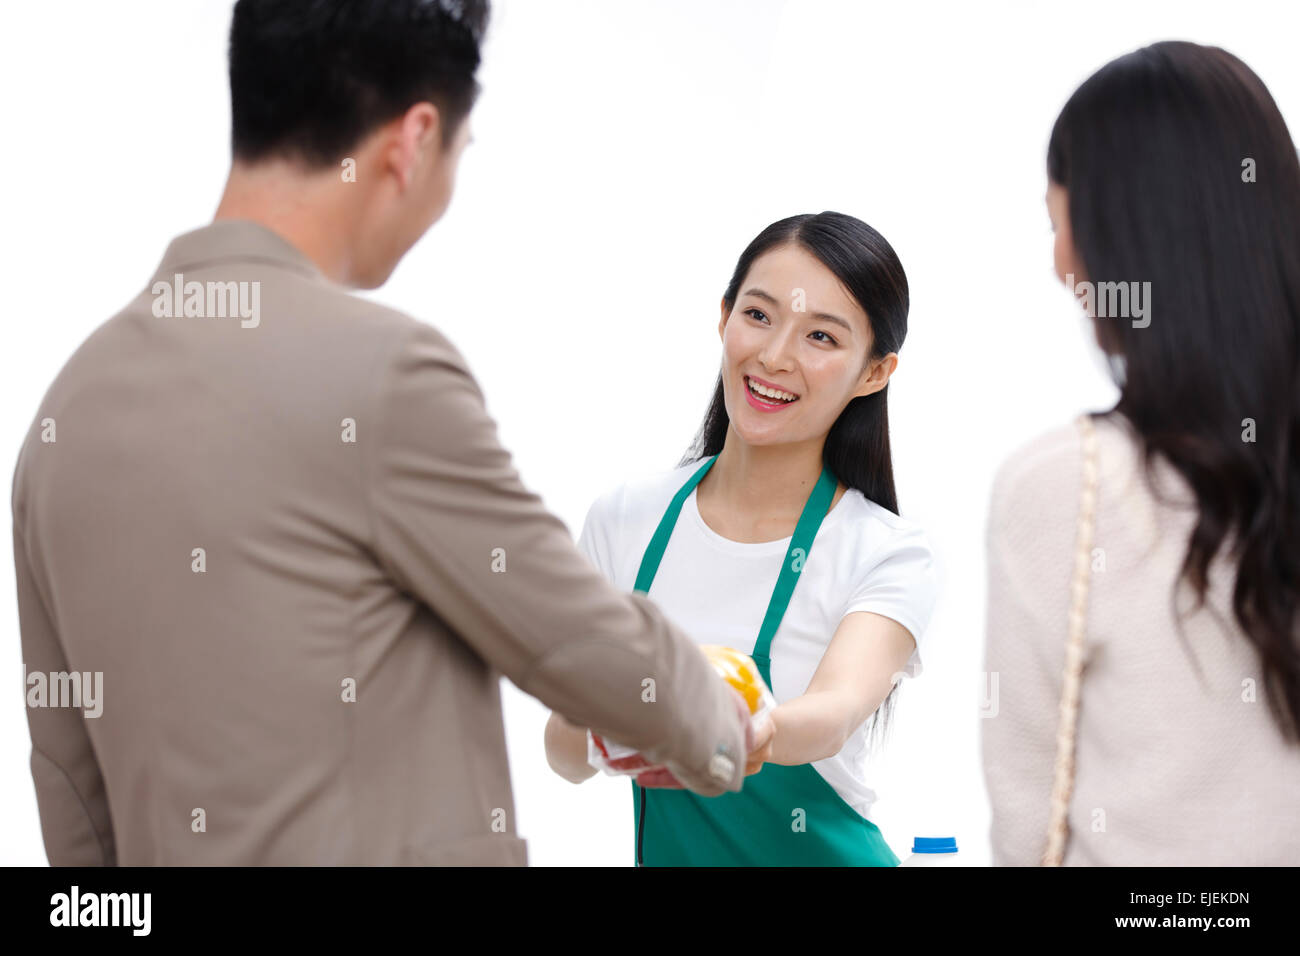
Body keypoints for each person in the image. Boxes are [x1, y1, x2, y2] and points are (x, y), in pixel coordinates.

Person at [11, 0, 760, 866]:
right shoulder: (382, 373)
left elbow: (69, 784)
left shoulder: (67, 413)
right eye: (459, 155)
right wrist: (723, 722)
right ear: (413, 138)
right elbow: (572, 638)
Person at [982, 40, 1300, 865]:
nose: (1059, 265)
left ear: (1124, 234)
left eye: (1062, 224)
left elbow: (1027, 822)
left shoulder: (1068, 484)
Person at [545, 212, 940, 866]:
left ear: (874, 372)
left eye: (820, 335)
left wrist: (736, 725)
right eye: (758, 316)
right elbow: (563, 756)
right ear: (724, 315)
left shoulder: (885, 551)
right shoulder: (624, 521)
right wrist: (613, 721)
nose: (776, 356)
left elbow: (835, 713)